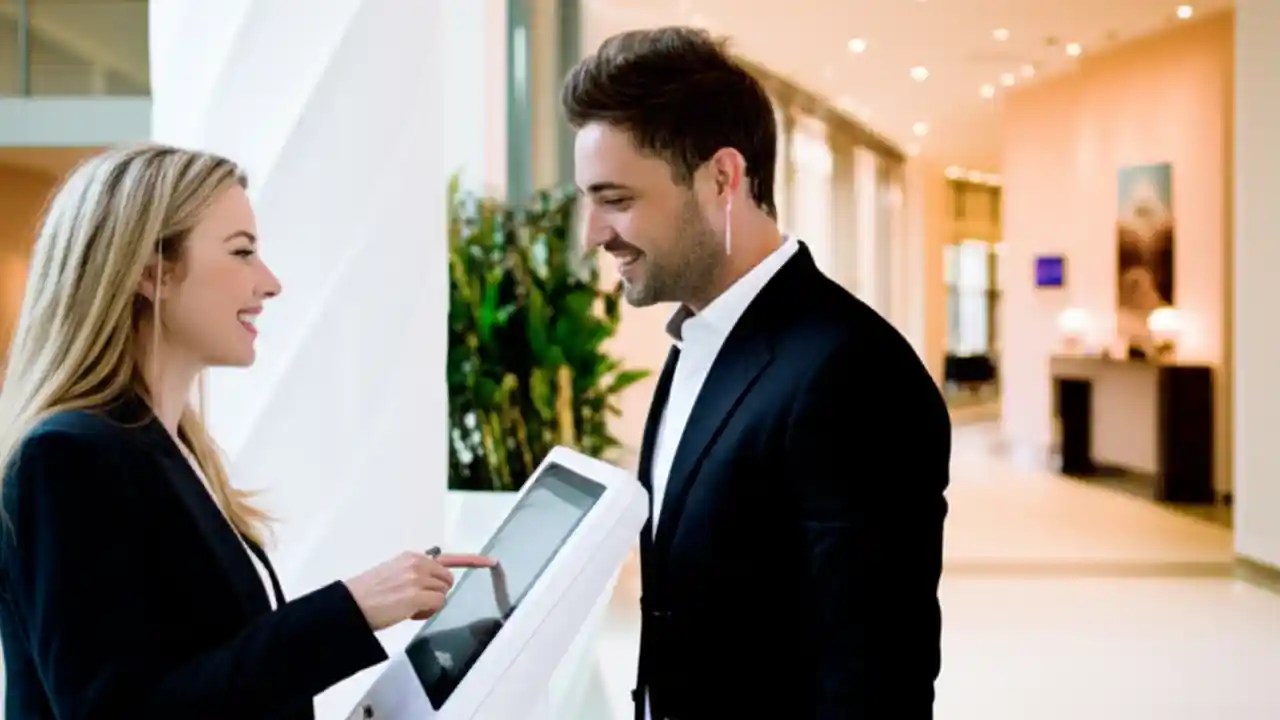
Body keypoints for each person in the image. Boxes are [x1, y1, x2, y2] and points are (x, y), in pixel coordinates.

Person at [0, 144, 492, 719]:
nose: (270, 283)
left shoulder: (171, 449)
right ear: (153, 273)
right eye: (241, 252)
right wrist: (351, 610)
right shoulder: (67, 458)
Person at [562, 27, 951, 719]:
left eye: (616, 199)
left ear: (722, 179)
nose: (593, 233)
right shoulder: (697, 340)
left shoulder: (854, 373)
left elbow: (874, 682)